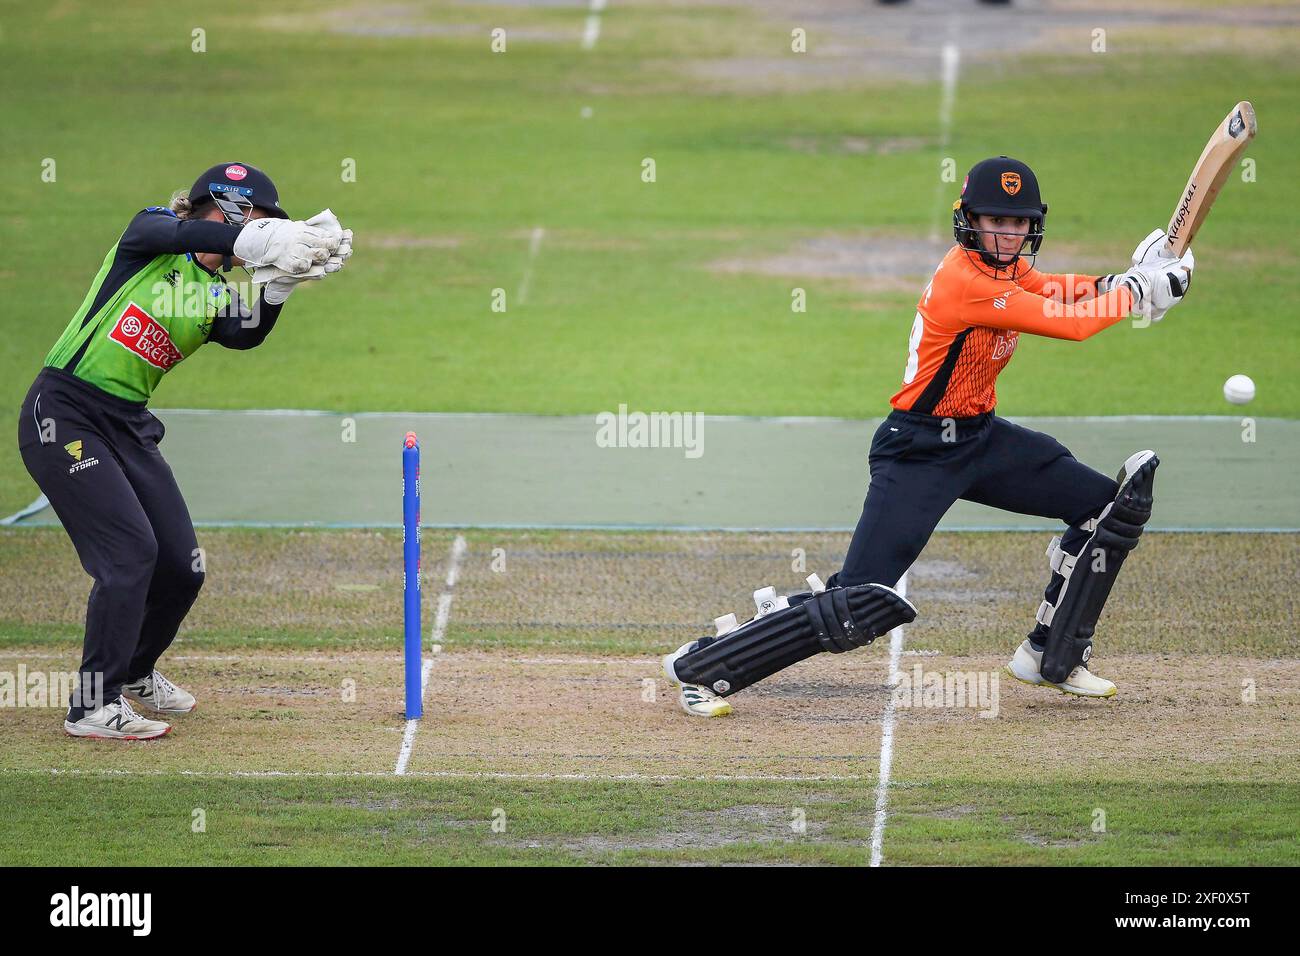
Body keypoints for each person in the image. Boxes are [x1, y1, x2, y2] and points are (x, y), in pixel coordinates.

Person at [664, 156, 1193, 717]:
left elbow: (1059, 291)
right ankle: (703, 666)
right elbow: (1071, 324)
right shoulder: (966, 281)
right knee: (859, 605)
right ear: (968, 221)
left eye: (1018, 223)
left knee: (1107, 510)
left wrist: (1123, 283)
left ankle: (1051, 656)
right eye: (995, 221)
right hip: (917, 451)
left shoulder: (1004, 270)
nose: (1008, 233)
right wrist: (1138, 291)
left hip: (980, 440)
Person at [17, 162, 354, 739]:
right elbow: (181, 234)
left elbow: (246, 332)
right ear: (231, 211)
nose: (272, 237)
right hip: (65, 412)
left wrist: (278, 287)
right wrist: (254, 238)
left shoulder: (215, 291)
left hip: (127, 426)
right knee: (128, 557)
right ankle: (92, 707)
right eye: (265, 224)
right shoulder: (148, 238)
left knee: (181, 566)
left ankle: (134, 672)